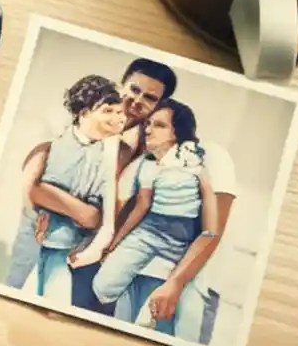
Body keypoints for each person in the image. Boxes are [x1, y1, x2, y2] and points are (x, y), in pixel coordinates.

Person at [17, 58, 179, 313]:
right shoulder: (87, 121)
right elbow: (36, 177)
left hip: (100, 256)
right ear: (122, 85)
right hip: (54, 238)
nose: (137, 101)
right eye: (134, 90)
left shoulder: (146, 148)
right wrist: (59, 209)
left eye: (149, 98)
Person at [90, 99, 219, 332]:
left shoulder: (196, 166)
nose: (148, 129)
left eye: (158, 125)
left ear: (176, 132)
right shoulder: (147, 166)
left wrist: (205, 236)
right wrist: (114, 244)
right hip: (148, 232)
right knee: (103, 285)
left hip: (179, 242)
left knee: (157, 308)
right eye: (148, 124)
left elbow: (210, 228)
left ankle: (143, 318)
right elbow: (141, 206)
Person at [5, 75, 125, 294]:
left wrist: (69, 207)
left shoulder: (106, 159)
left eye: (119, 112)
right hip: (32, 241)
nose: (117, 118)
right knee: (14, 288)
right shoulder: (52, 144)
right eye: (107, 111)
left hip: (66, 249)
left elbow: (94, 217)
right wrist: (76, 210)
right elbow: (34, 191)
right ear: (84, 112)